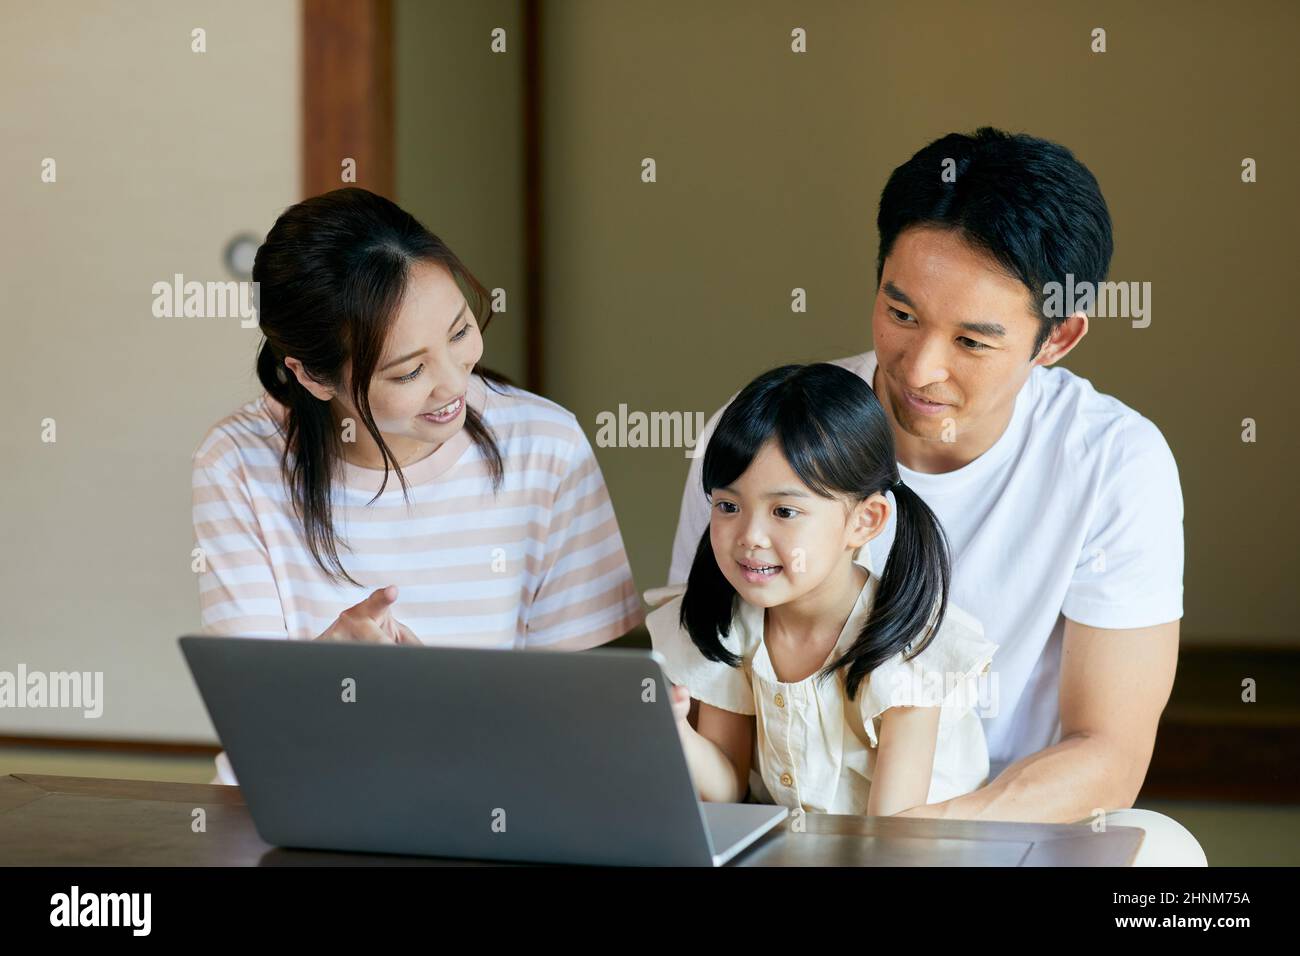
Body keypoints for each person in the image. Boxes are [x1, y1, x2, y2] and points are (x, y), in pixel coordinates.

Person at [666, 128, 1206, 865]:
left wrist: (913, 841)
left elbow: (1107, 750)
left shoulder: (1115, 461)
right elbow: (713, 696)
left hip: (994, 825)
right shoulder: (763, 440)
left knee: (1166, 859)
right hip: (785, 830)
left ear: (1058, 337)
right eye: (902, 314)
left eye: (973, 342)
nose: (919, 370)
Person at [192, 188, 644, 784]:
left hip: (493, 808)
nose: (455, 383)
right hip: (295, 803)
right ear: (310, 374)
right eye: (409, 371)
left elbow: (578, 714)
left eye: (460, 333)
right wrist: (326, 668)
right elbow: (252, 725)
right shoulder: (239, 462)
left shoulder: (547, 446)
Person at [648, 363, 999, 816]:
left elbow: (891, 829)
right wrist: (677, 728)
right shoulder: (731, 621)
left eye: (785, 512)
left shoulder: (908, 645)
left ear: (864, 521)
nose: (750, 535)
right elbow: (726, 789)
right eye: (729, 505)